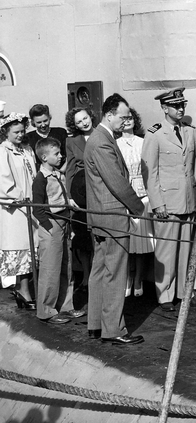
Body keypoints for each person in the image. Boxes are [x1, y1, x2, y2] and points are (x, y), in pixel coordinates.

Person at [84, 94, 145, 345]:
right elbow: (117, 183)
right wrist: (139, 207)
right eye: (123, 116)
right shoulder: (102, 141)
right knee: (115, 273)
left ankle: (96, 325)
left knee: (99, 271)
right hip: (112, 217)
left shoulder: (102, 138)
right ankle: (113, 329)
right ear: (109, 115)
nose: (126, 121)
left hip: (101, 217)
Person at [142, 89, 196, 311]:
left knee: (185, 251)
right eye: (175, 106)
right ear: (164, 108)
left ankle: (183, 293)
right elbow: (150, 172)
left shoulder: (190, 132)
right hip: (167, 203)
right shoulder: (155, 134)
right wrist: (157, 204)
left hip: (187, 200)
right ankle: (165, 296)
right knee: (167, 252)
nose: (180, 109)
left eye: (182, 105)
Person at [32, 137, 84, 324]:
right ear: (44, 157)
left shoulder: (56, 174)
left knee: (66, 267)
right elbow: (37, 209)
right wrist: (49, 227)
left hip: (64, 223)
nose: (61, 156)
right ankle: (46, 310)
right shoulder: (40, 179)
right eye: (57, 153)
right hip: (52, 226)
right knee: (50, 270)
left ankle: (66, 306)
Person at [117, 108, 155, 298]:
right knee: (127, 244)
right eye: (124, 118)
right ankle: (127, 278)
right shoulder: (115, 145)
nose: (128, 121)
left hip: (144, 196)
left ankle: (139, 279)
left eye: (131, 117)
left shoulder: (144, 142)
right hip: (125, 198)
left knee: (142, 244)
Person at [0, 113, 37, 308]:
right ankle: (23, 291)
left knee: (30, 250)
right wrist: (20, 196)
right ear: (6, 132)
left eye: (23, 131)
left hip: (30, 206)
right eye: (16, 132)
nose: (21, 134)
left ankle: (24, 290)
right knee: (21, 250)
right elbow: (3, 180)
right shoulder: (3, 152)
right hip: (15, 209)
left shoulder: (27, 149)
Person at [64, 107, 95, 290]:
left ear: (90, 116)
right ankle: (86, 275)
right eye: (79, 122)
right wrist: (69, 195)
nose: (84, 123)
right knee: (83, 237)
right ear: (74, 125)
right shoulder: (72, 142)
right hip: (80, 191)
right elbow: (70, 169)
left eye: (85, 118)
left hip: (100, 189)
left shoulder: (104, 134)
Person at [26, 104, 68, 169]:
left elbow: (69, 155)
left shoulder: (61, 132)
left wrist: (62, 171)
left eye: (45, 121)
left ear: (49, 118)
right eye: (39, 122)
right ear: (33, 122)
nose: (43, 125)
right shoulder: (29, 137)